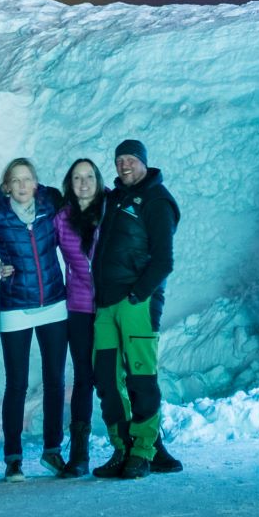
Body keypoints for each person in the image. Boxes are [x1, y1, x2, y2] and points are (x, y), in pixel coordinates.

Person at [89, 139, 179, 479]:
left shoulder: (157, 200)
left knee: (141, 378)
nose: (124, 165)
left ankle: (143, 450)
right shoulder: (114, 199)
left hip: (136, 303)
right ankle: (121, 448)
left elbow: (163, 260)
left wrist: (137, 295)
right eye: (119, 160)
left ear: (143, 161)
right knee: (107, 380)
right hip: (106, 305)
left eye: (130, 159)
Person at [0, 158, 71, 478]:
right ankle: (13, 457)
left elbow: (84, 199)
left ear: (37, 183)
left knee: (54, 380)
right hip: (15, 306)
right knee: (17, 384)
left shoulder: (50, 206)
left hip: (53, 303)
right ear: (6, 186)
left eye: (27, 179)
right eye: (15, 180)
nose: (22, 186)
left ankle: (52, 451)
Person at [54, 158, 104, 477]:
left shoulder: (110, 211)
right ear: (69, 184)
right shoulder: (62, 219)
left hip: (112, 306)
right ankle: (79, 452)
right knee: (84, 378)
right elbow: (40, 249)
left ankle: (142, 444)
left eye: (88, 177)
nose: (83, 183)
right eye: (76, 178)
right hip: (79, 307)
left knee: (119, 376)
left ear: (97, 181)